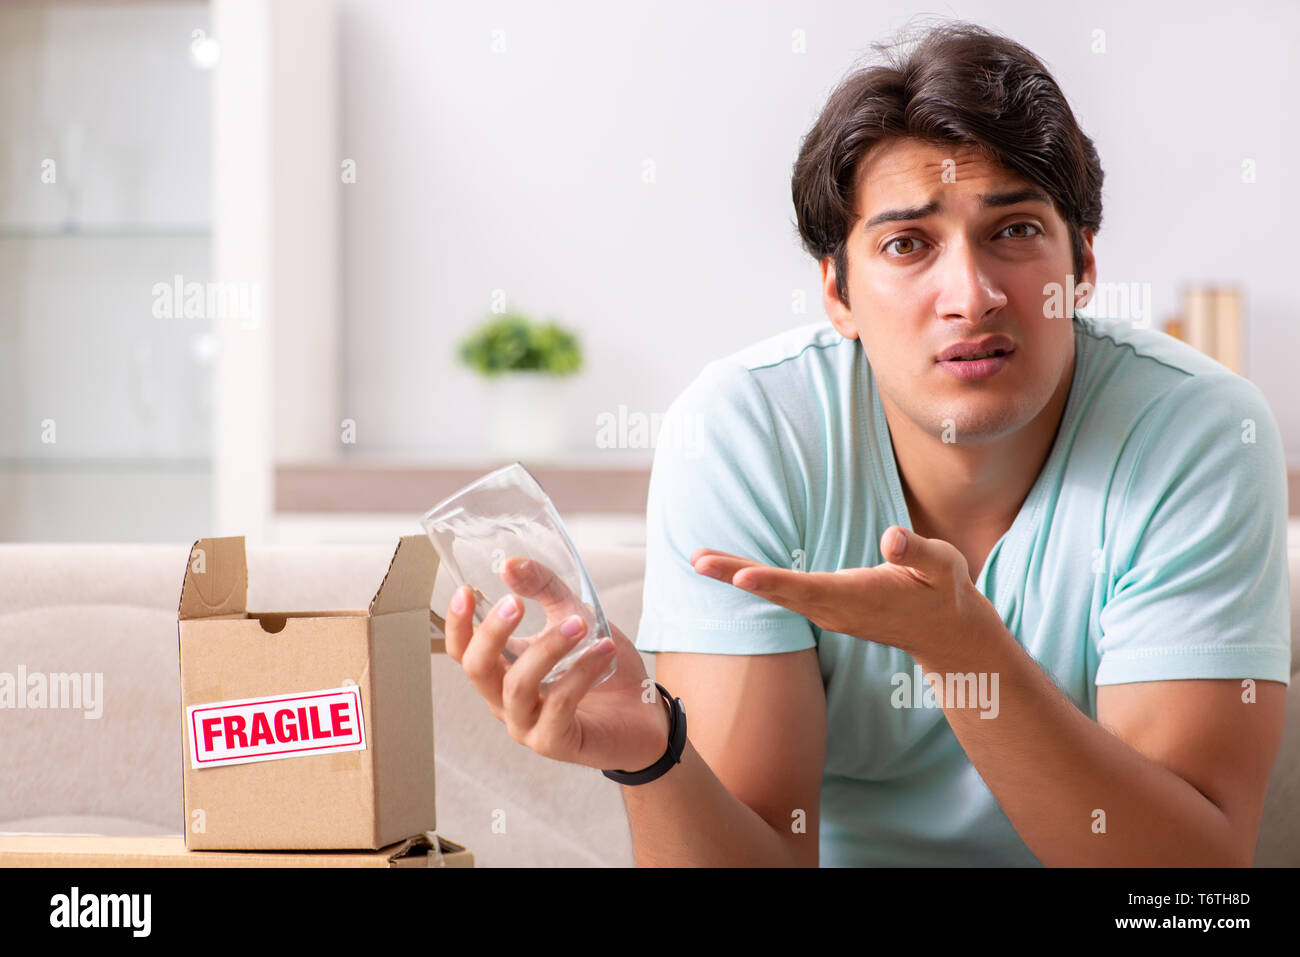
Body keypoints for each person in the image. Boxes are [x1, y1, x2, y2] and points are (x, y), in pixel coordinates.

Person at [442, 20, 1290, 867]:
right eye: (907, 244)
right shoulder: (749, 434)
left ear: (1085, 263)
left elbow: (1186, 896)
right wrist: (653, 756)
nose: (972, 294)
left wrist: (963, 650)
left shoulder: (1194, 432)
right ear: (837, 293)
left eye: (1016, 231)